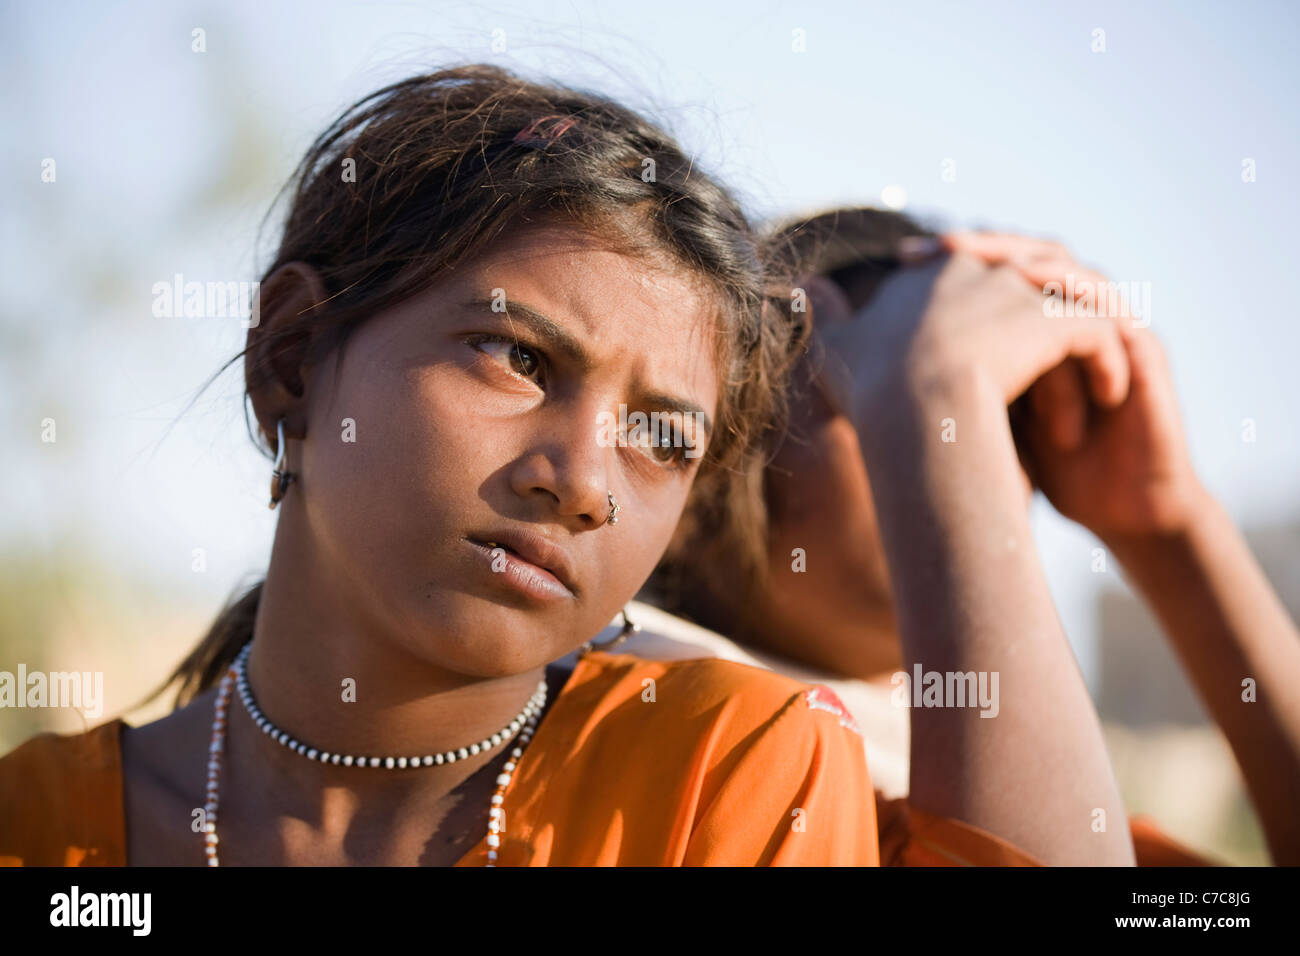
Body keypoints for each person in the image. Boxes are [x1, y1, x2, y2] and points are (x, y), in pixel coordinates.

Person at [1, 67, 1065, 867]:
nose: (584, 481)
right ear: (291, 356)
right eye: (518, 357)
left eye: (662, 436)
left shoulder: (731, 770)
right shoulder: (39, 827)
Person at [613, 206, 1300, 866]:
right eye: (878, 395)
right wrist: (933, 390)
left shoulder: (1050, 802)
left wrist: (1168, 529)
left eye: (1006, 412)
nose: (977, 460)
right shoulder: (634, 730)